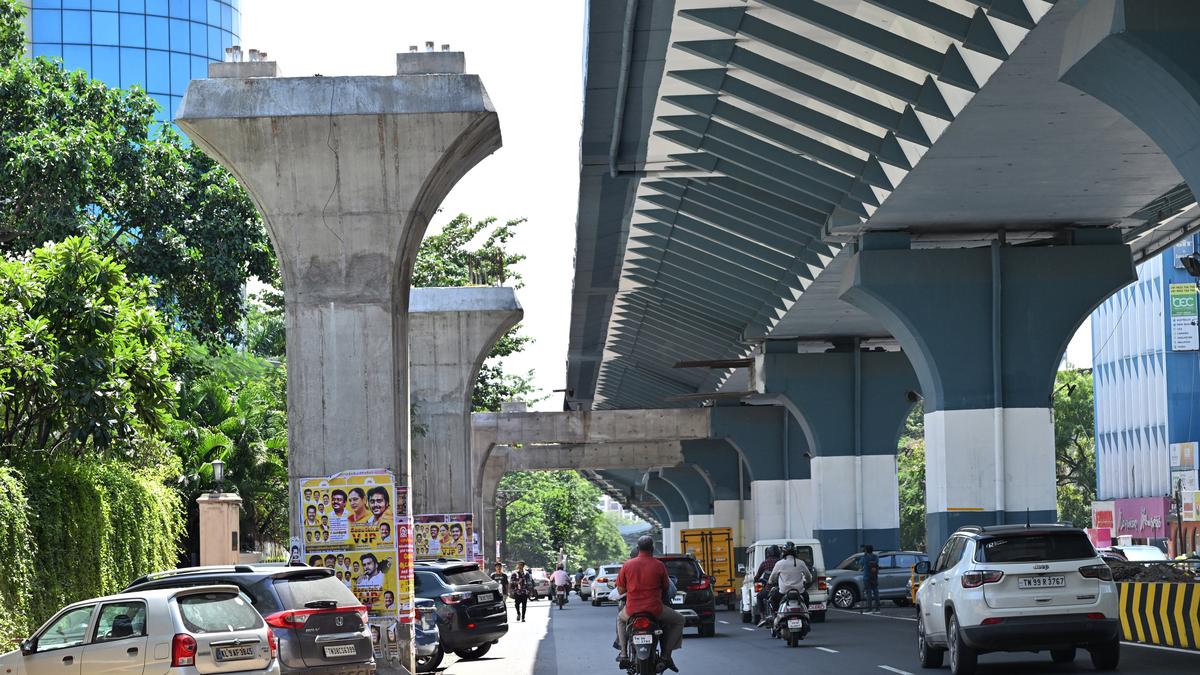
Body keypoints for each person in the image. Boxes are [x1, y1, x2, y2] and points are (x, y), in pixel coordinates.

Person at [615, 535, 684, 672]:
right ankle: (666, 656)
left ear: (637, 548)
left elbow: (621, 589)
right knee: (679, 620)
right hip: (655, 610)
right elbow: (666, 588)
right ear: (652, 548)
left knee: (620, 620)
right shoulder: (659, 565)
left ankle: (623, 654)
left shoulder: (627, 565)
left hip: (631, 611)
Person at [767, 542, 812, 626]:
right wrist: (807, 582)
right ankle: (806, 614)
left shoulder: (779, 563)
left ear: (783, 552)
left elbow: (772, 578)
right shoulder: (801, 563)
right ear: (795, 552)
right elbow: (809, 577)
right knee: (806, 597)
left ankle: (776, 616)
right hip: (799, 592)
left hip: (783, 592)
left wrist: (770, 582)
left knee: (772, 599)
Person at [755, 544, 782, 626]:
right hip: (781, 588)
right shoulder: (781, 562)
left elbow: (758, 576)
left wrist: (756, 580)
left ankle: (762, 617)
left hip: (769, 589)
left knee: (759, 596)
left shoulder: (765, 563)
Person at [862, 544, 881, 614]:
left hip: (867, 577)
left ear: (866, 550)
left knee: (868, 593)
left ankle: (869, 609)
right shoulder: (875, 557)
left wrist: (865, 555)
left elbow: (861, 563)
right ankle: (878, 608)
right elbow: (876, 563)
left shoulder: (865, 557)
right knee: (876, 592)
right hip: (874, 576)